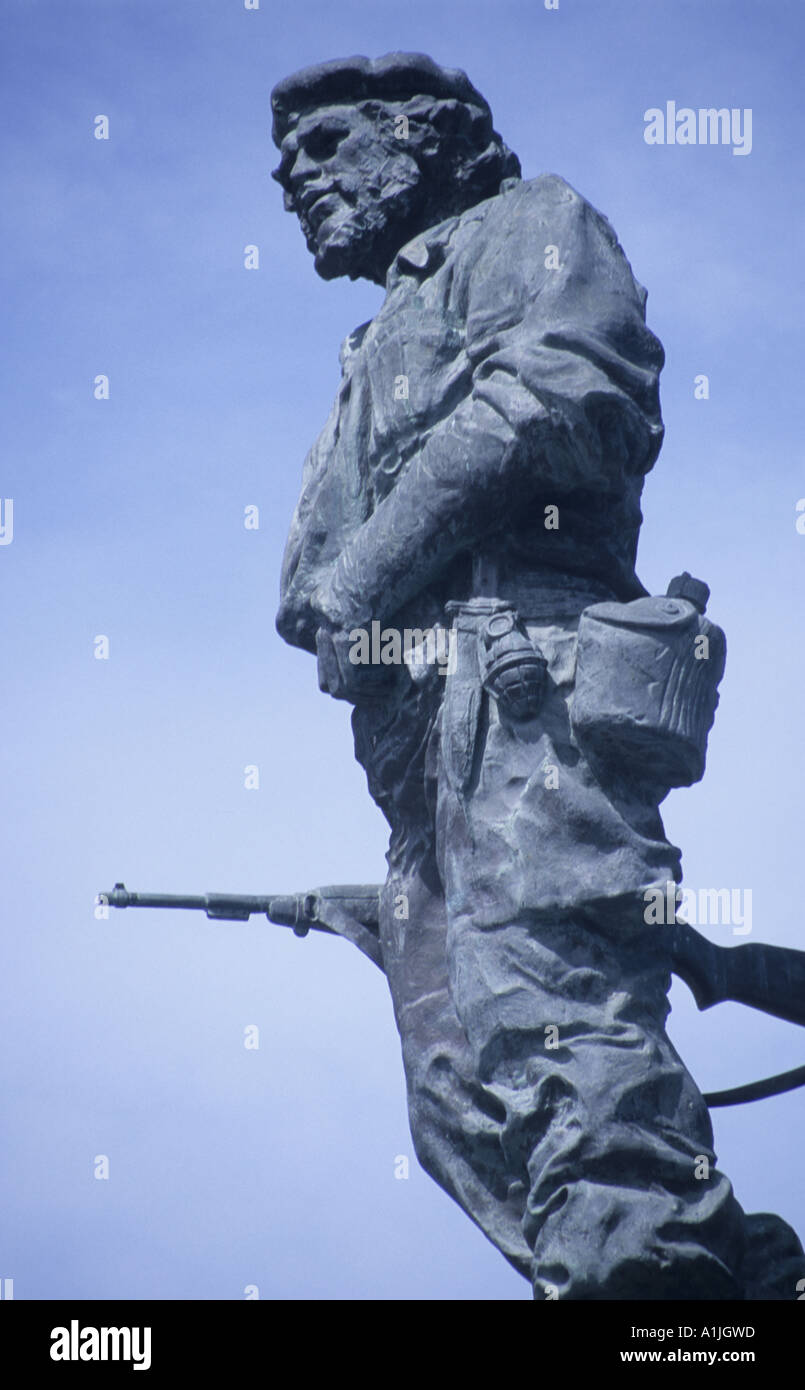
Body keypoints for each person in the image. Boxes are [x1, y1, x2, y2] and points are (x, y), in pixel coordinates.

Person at [271, 52, 803, 1298]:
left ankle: (658, 1296)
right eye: (288, 161)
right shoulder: (379, 331)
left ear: (427, 139)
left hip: (523, 694)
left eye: (331, 141)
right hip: (419, 767)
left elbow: (560, 391)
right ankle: (705, 1286)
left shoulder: (527, 226)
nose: (299, 175)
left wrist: (360, 574)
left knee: (557, 1026)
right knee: (456, 1095)